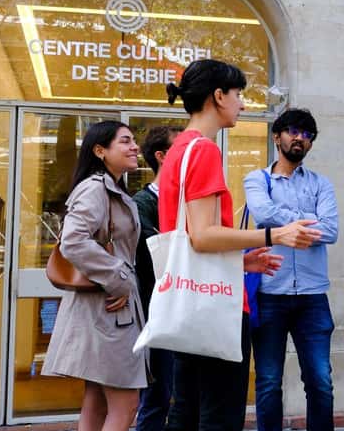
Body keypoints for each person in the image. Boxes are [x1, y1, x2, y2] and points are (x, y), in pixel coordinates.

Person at [158, 59, 321, 431]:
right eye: (237, 95)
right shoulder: (203, 150)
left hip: (187, 300)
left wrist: (240, 261)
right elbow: (203, 235)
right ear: (218, 96)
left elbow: (191, 235)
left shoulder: (180, 148)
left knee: (186, 411)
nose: (242, 104)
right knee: (218, 416)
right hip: (215, 305)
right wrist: (275, 235)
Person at [42, 120, 147, 431]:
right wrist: (120, 279)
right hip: (107, 312)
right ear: (100, 151)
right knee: (126, 404)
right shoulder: (95, 189)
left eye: (133, 140)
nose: (134, 147)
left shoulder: (111, 189)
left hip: (104, 311)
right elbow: (73, 241)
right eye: (125, 141)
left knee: (97, 401)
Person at [244, 107, 340, 431]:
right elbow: (262, 213)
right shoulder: (257, 179)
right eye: (293, 132)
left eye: (307, 134)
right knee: (269, 381)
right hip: (270, 293)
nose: (300, 138)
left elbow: (331, 230)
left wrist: (284, 224)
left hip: (313, 297)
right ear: (277, 137)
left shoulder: (321, 184)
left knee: (320, 381)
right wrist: (306, 221)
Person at [133, 125, 184, 431]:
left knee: (185, 397)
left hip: (189, 307)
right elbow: (155, 251)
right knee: (158, 395)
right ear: (162, 156)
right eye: (181, 148)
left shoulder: (193, 200)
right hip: (159, 309)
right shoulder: (142, 203)